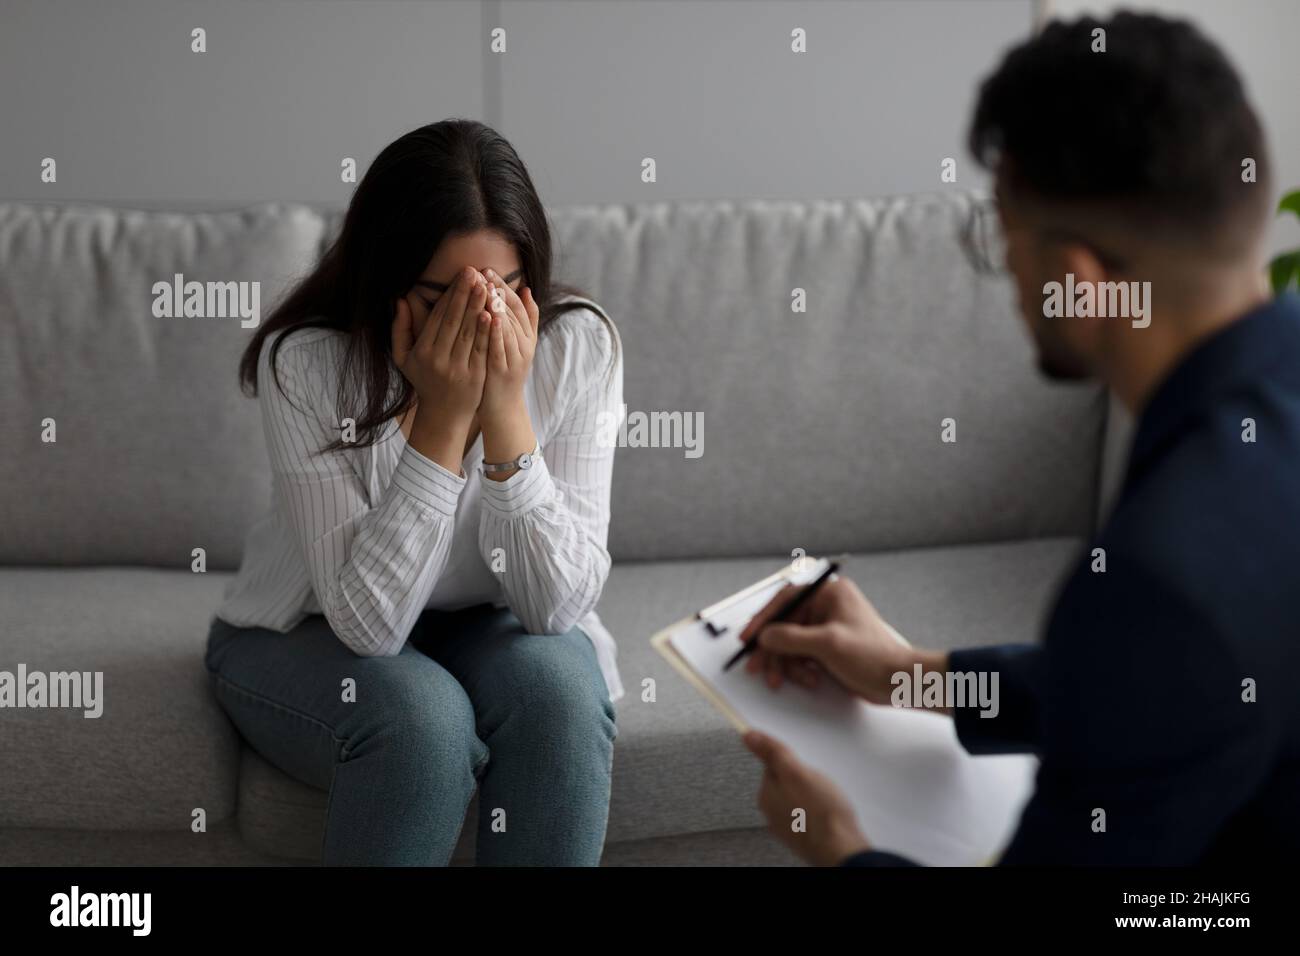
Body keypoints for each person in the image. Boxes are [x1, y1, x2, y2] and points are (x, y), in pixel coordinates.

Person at [740, 12, 1300, 866]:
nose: (1009, 286)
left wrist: (845, 851)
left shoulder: (1164, 573)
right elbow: (1172, 693)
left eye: (1001, 245)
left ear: (1080, 282)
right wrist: (914, 674)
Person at [204, 119, 623, 865]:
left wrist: (504, 411)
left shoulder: (578, 344)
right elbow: (367, 628)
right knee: (421, 724)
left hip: (486, 624)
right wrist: (442, 416)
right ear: (387, 279)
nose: (482, 322)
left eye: (507, 291)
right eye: (445, 299)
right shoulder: (306, 363)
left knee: (557, 699)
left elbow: (559, 607)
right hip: (304, 629)